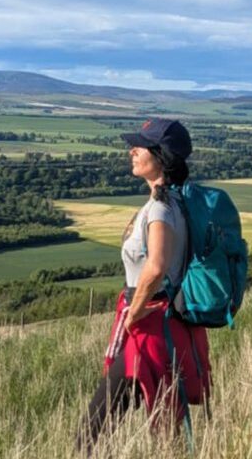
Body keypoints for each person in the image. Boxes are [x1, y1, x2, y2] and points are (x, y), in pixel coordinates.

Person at [79, 118, 211, 451]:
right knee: (165, 427)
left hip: (150, 327)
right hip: (164, 326)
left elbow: (156, 267)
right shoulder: (175, 203)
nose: (132, 150)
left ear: (161, 157)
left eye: (141, 146)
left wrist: (133, 312)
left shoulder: (160, 208)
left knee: (92, 432)